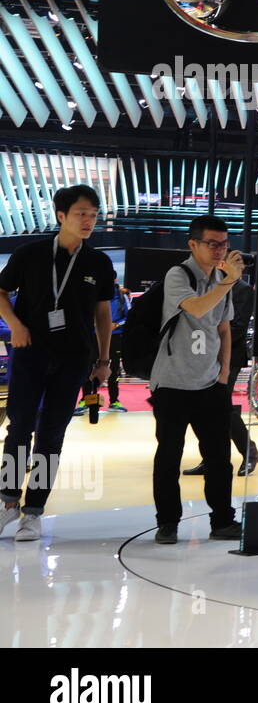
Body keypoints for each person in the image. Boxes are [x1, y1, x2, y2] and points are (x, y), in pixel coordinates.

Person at [0, 185, 115, 540]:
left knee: (52, 434)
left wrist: (104, 360)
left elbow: (103, 313)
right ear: (61, 216)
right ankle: (6, 502)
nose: (88, 221)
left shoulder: (98, 262)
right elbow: (0, 291)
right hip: (30, 352)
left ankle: (33, 511)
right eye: (82, 214)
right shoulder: (29, 254)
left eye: (94, 215)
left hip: (73, 359)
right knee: (19, 427)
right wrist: (16, 325)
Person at [149, 216, 244, 544]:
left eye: (224, 243)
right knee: (169, 455)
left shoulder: (222, 279)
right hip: (172, 384)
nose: (220, 250)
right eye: (213, 243)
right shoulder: (179, 275)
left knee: (219, 457)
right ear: (193, 245)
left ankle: (222, 521)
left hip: (209, 385)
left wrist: (225, 370)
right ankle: (168, 522)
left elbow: (223, 327)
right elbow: (199, 308)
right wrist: (228, 282)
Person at [183, 275, 258, 477]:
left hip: (229, 357)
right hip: (203, 355)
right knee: (204, 409)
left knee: (222, 406)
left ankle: (249, 452)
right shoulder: (207, 285)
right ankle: (210, 457)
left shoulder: (243, 289)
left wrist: (211, 341)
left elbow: (237, 327)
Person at [75, 283, 132, 415]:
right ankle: (85, 400)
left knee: (114, 369)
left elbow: (129, 316)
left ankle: (114, 401)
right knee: (88, 367)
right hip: (92, 336)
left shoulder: (121, 295)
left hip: (115, 337)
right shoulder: (89, 293)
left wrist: (116, 324)